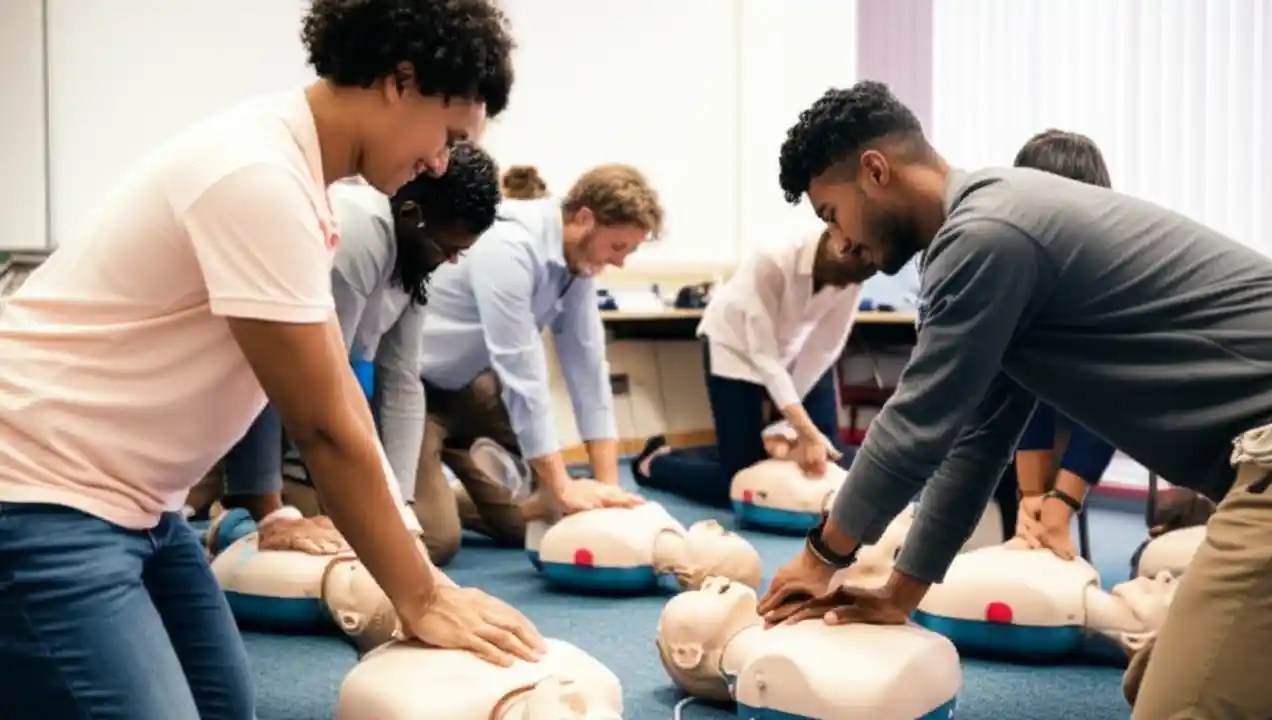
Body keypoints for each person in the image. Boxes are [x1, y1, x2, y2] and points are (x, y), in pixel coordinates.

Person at [0, 3, 543, 718]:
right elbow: (320, 427)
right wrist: (420, 594)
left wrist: (412, 558)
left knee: (226, 706)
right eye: (447, 136)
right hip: (41, 498)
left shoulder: (296, 177)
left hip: (142, 508)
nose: (440, 163)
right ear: (398, 82)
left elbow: (343, 398)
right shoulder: (255, 175)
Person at [755, 81, 1272, 720]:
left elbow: (917, 424)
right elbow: (974, 440)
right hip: (1259, 457)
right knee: (1160, 677)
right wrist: (901, 591)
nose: (838, 243)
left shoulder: (987, 234)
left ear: (875, 170)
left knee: (1181, 706)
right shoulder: (996, 227)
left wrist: (822, 556)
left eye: (831, 213)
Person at [217, 140, 501, 554]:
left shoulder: (419, 251)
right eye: (449, 249)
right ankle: (236, 515)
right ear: (410, 216)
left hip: (329, 402)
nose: (452, 261)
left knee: (433, 539)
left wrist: (401, 504)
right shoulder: (357, 236)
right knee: (353, 548)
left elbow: (402, 380)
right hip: (272, 411)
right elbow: (319, 384)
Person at [414, 164, 660, 564]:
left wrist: (609, 492)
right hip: (416, 390)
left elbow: (588, 371)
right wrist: (560, 486)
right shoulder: (507, 245)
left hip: (466, 386)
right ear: (584, 219)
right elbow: (520, 372)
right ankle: (389, 500)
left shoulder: (576, 263)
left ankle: (439, 494)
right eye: (617, 247)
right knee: (438, 540)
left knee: (529, 523)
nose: (620, 263)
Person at [630, 229, 872, 507]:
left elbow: (824, 347)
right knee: (740, 483)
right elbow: (763, 355)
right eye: (839, 280)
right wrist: (803, 428)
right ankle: (657, 464)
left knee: (827, 458)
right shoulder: (774, 257)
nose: (842, 288)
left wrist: (793, 426)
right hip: (735, 347)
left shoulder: (857, 269)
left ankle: (730, 449)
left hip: (795, 351)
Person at [1008, 129, 1118, 557]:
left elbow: (1111, 397)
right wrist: (1031, 496)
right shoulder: (1017, 263)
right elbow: (1024, 380)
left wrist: (1063, 502)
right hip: (1033, 414)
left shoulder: (1113, 273)